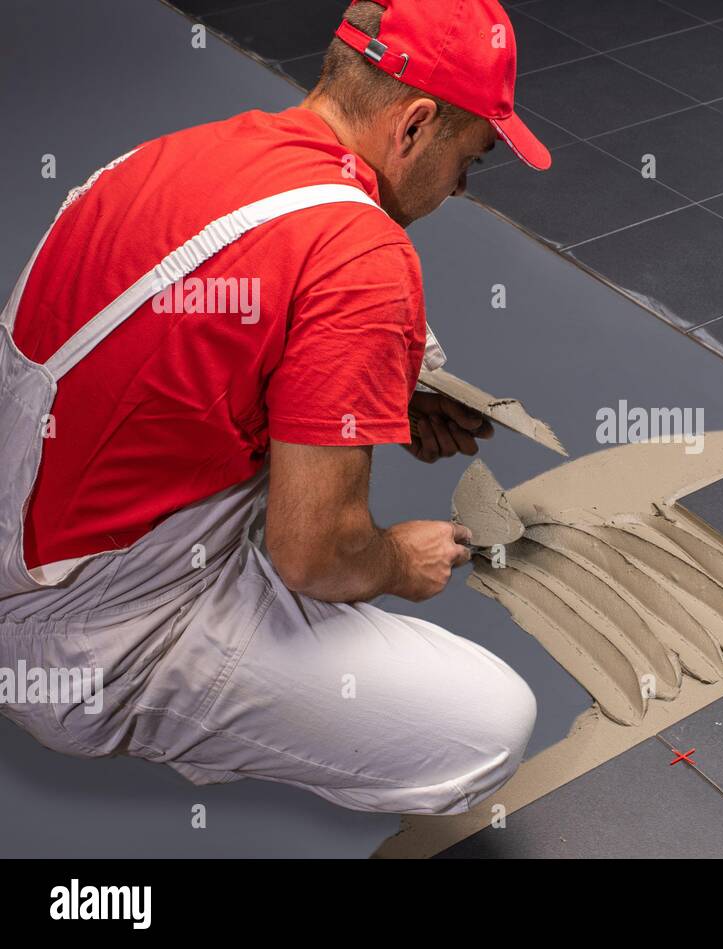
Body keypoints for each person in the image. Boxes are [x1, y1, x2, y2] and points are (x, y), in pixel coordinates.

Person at [0, 0, 551, 815]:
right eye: (470, 157)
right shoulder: (364, 259)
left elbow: (217, 319)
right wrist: (400, 560)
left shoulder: (170, 155)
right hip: (91, 638)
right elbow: (315, 557)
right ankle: (145, 695)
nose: (464, 185)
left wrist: (387, 382)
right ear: (415, 125)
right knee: (491, 722)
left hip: (25, 517)